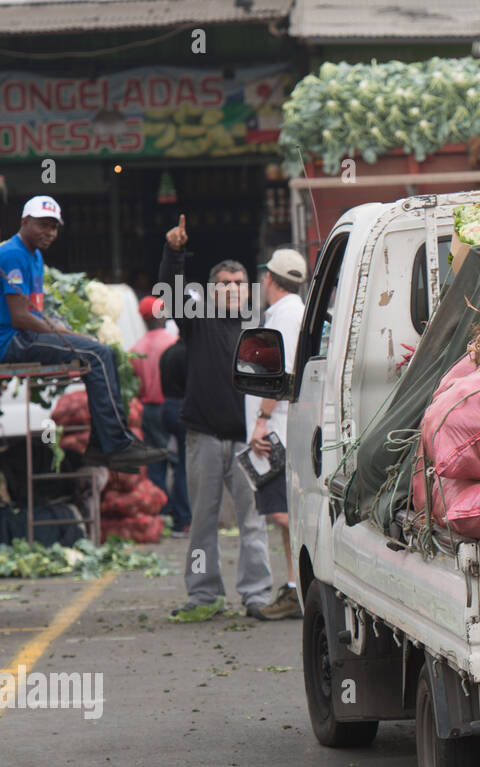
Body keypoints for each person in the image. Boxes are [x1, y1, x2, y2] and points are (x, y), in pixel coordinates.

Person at [158, 214, 275, 621]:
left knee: (254, 521)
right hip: (204, 436)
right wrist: (174, 253)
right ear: (211, 290)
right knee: (202, 523)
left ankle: (258, 595)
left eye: (238, 284)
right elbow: (170, 299)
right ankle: (204, 595)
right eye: (223, 284)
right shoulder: (198, 322)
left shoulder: (259, 326)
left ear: (248, 290)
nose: (231, 289)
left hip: (248, 440)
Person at [1, 196, 166, 471]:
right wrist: (64, 334)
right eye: (43, 225)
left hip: (25, 335)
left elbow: (36, 311)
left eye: (54, 227)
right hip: (11, 340)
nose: (50, 233)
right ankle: (115, 444)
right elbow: (20, 316)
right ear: (24, 222)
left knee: (99, 351)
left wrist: (69, 333)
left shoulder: (35, 256)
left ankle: (102, 444)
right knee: (98, 354)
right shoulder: (12, 254)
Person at [244, 248, 308, 620]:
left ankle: (296, 586)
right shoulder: (294, 312)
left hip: (279, 431)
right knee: (285, 512)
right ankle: (293, 585)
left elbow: (278, 373)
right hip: (284, 428)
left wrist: (261, 422)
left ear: (268, 278)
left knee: (285, 513)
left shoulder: (284, 317)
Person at [130, 296, 190, 535]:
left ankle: (158, 518)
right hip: (175, 406)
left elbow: (135, 388)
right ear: (162, 314)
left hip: (149, 411)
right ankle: (182, 518)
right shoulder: (173, 342)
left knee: (156, 464)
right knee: (183, 465)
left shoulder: (135, 350)